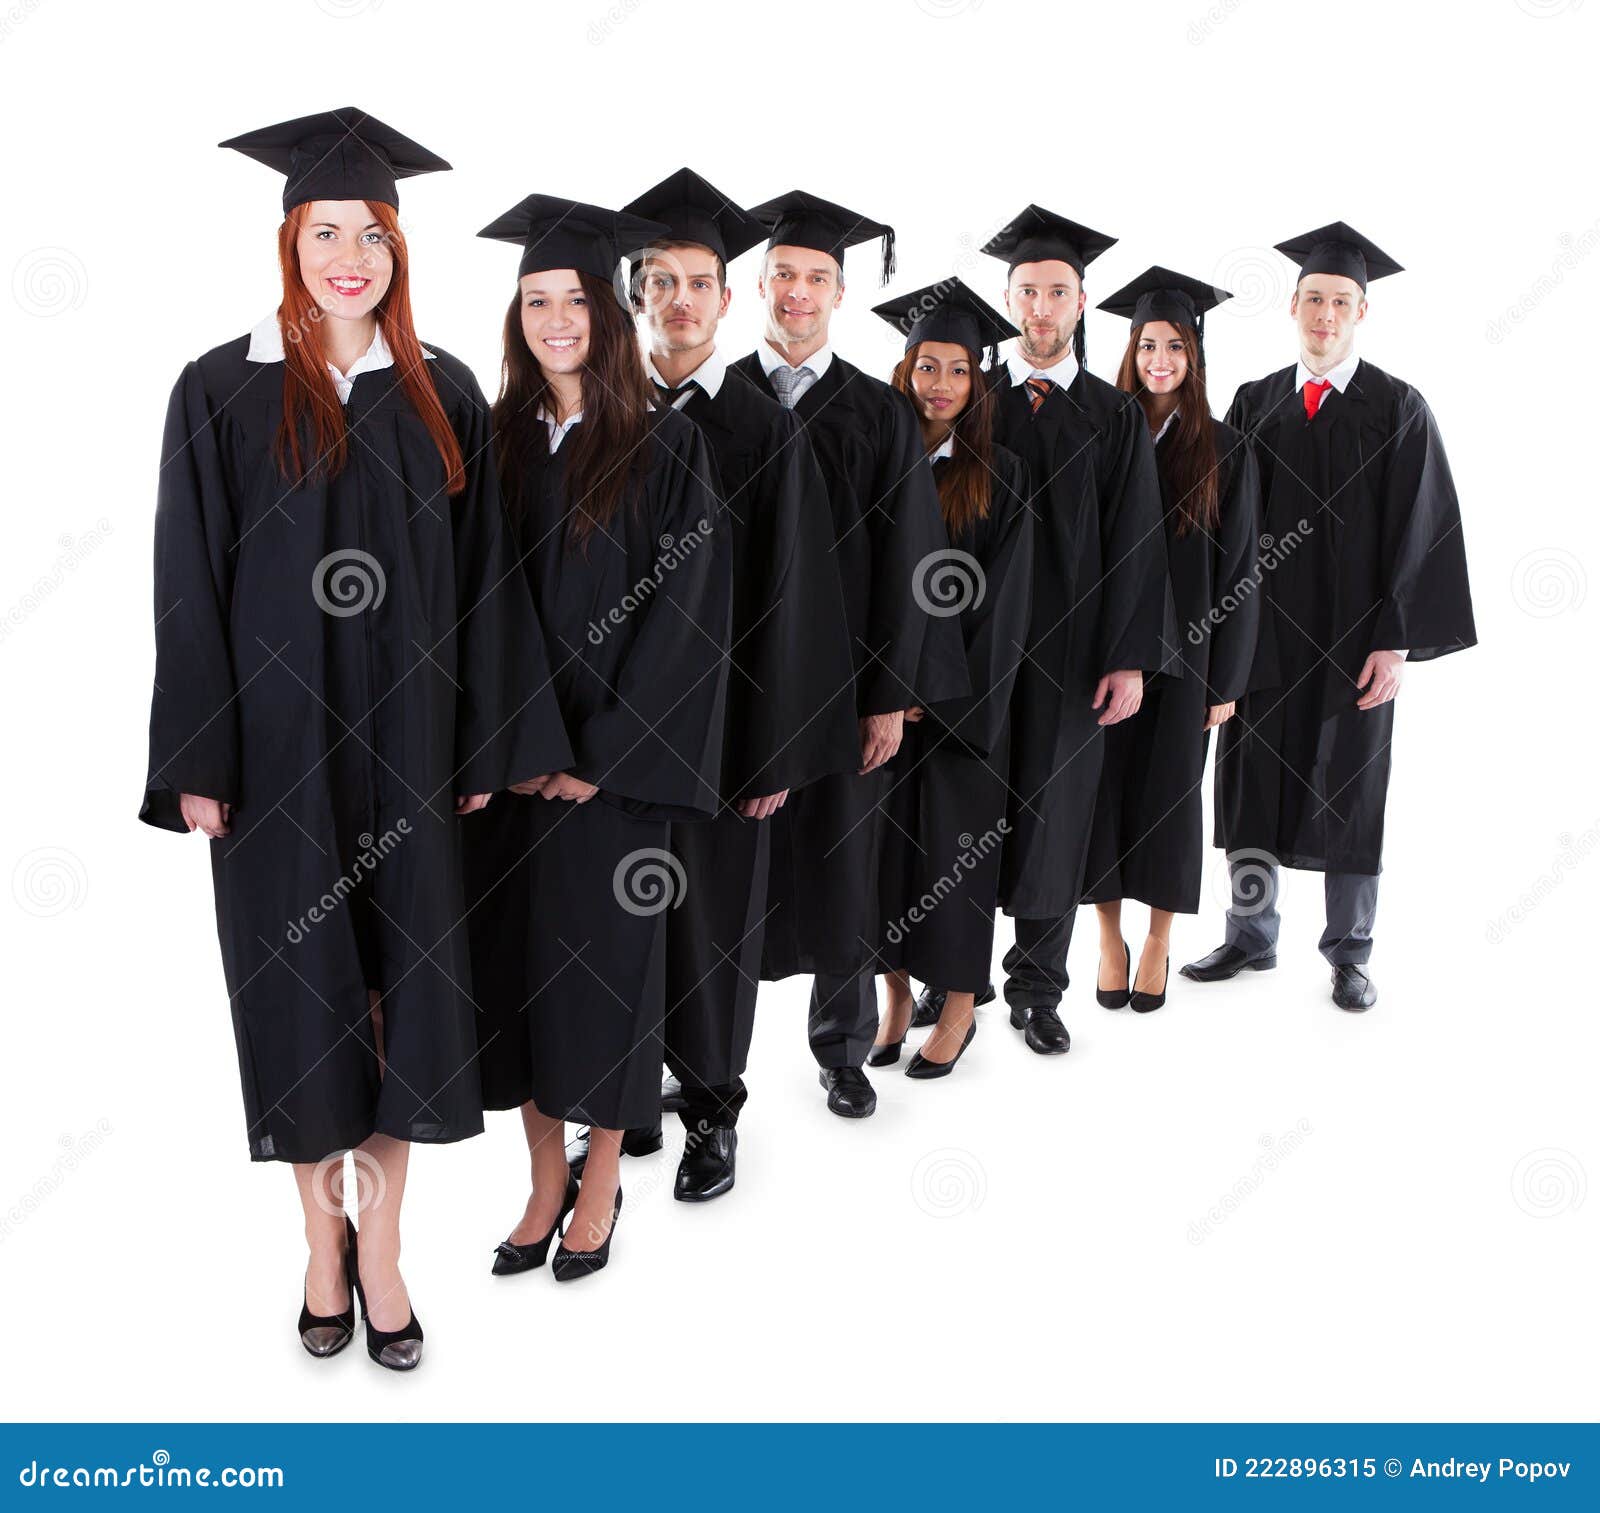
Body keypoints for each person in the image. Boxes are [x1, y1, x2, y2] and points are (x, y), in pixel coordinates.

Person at [139, 109, 571, 1369]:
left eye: (371, 232)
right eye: (326, 230)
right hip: (276, 761)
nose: (350, 253)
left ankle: (380, 1251)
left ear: (396, 248)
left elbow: (493, 585)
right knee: (303, 1001)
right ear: (289, 241)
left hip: (413, 757)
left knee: (401, 1007)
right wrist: (198, 760)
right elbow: (184, 584)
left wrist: (489, 746)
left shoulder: (444, 393)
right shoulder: (219, 386)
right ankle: (319, 1242)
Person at [463, 194, 731, 1281]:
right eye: (537, 301)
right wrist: (506, 746)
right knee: (519, 982)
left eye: (574, 299)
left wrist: (598, 755)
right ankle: (540, 1181)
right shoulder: (490, 446)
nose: (555, 318)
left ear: (609, 314)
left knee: (610, 979)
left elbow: (689, 626)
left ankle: (604, 1177)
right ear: (517, 316)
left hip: (612, 783)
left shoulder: (663, 449)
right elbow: (465, 610)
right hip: (510, 781)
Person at [610, 168, 858, 1197]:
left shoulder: (766, 429)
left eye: (699, 281)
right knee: (614, 925)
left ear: (726, 297)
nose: (678, 299)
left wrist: (770, 751)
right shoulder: (602, 418)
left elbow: (794, 604)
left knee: (713, 930)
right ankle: (617, 1102)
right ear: (635, 295)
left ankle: (712, 1106)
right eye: (659, 280)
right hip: (613, 742)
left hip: (721, 743)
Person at [1181, 223, 1476, 1011]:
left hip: (1354, 641)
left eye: (1340, 301)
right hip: (1263, 636)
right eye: (1313, 298)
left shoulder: (1397, 407)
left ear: (1361, 312)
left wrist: (1397, 640)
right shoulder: (1256, 401)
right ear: (1293, 305)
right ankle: (1250, 934)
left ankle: (1350, 952)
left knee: (1351, 786)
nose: (1324, 314)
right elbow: (1222, 526)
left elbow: (1423, 526)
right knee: (1250, 784)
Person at [729, 191, 968, 1119]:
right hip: (733, 688)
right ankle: (707, 1061)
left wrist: (889, 695)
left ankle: (841, 1049)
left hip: (841, 688)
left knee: (842, 865)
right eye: (785, 274)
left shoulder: (877, 411)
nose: (799, 291)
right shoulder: (716, 398)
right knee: (721, 880)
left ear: (839, 290)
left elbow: (912, 560)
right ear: (760, 283)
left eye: (818, 277)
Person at [918, 206, 1171, 1055]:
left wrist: (1130, 658)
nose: (1041, 306)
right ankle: (948, 976)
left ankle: (1036, 986)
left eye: (1057, 291)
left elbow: (1138, 539)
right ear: (1008, 296)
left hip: (1070, 654)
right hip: (971, 649)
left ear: (1082, 300)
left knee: (1054, 814)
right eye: (1027, 290)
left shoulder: (1112, 415)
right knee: (959, 809)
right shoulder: (970, 401)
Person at [1081, 267, 1263, 1011]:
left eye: (1175, 347)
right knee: (1098, 795)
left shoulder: (1223, 447)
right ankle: (1106, 935)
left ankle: (1158, 935)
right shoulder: (1102, 433)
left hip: (1189, 659)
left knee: (1169, 799)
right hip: (1107, 652)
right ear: (1130, 351)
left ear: (1194, 359)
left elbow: (1243, 568)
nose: (1160, 359)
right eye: (1148, 344)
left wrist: (1226, 682)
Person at [866, 278, 1033, 1077]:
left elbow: (1007, 601)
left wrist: (940, 690)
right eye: (925, 365)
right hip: (883, 702)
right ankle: (896, 995)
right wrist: (886, 685)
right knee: (886, 857)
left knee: (956, 857)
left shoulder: (1000, 472)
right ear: (903, 372)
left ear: (980, 380)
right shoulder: (879, 461)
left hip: (965, 710)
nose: (939, 383)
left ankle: (960, 1003)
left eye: (957, 369)